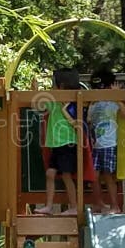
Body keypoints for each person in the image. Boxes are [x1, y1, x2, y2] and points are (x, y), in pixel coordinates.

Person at [34, 68, 80, 216]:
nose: (52, 87)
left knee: (66, 175)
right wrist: (34, 90)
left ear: (61, 86)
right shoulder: (53, 101)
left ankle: (74, 207)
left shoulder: (73, 102)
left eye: (54, 84)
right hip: (56, 144)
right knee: (50, 174)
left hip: (68, 142)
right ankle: (48, 206)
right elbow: (38, 106)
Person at [88, 68, 125, 212]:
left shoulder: (113, 103)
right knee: (93, 175)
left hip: (109, 144)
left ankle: (114, 205)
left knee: (108, 175)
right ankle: (98, 203)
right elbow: (89, 121)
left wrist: (117, 97)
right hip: (96, 145)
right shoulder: (94, 104)